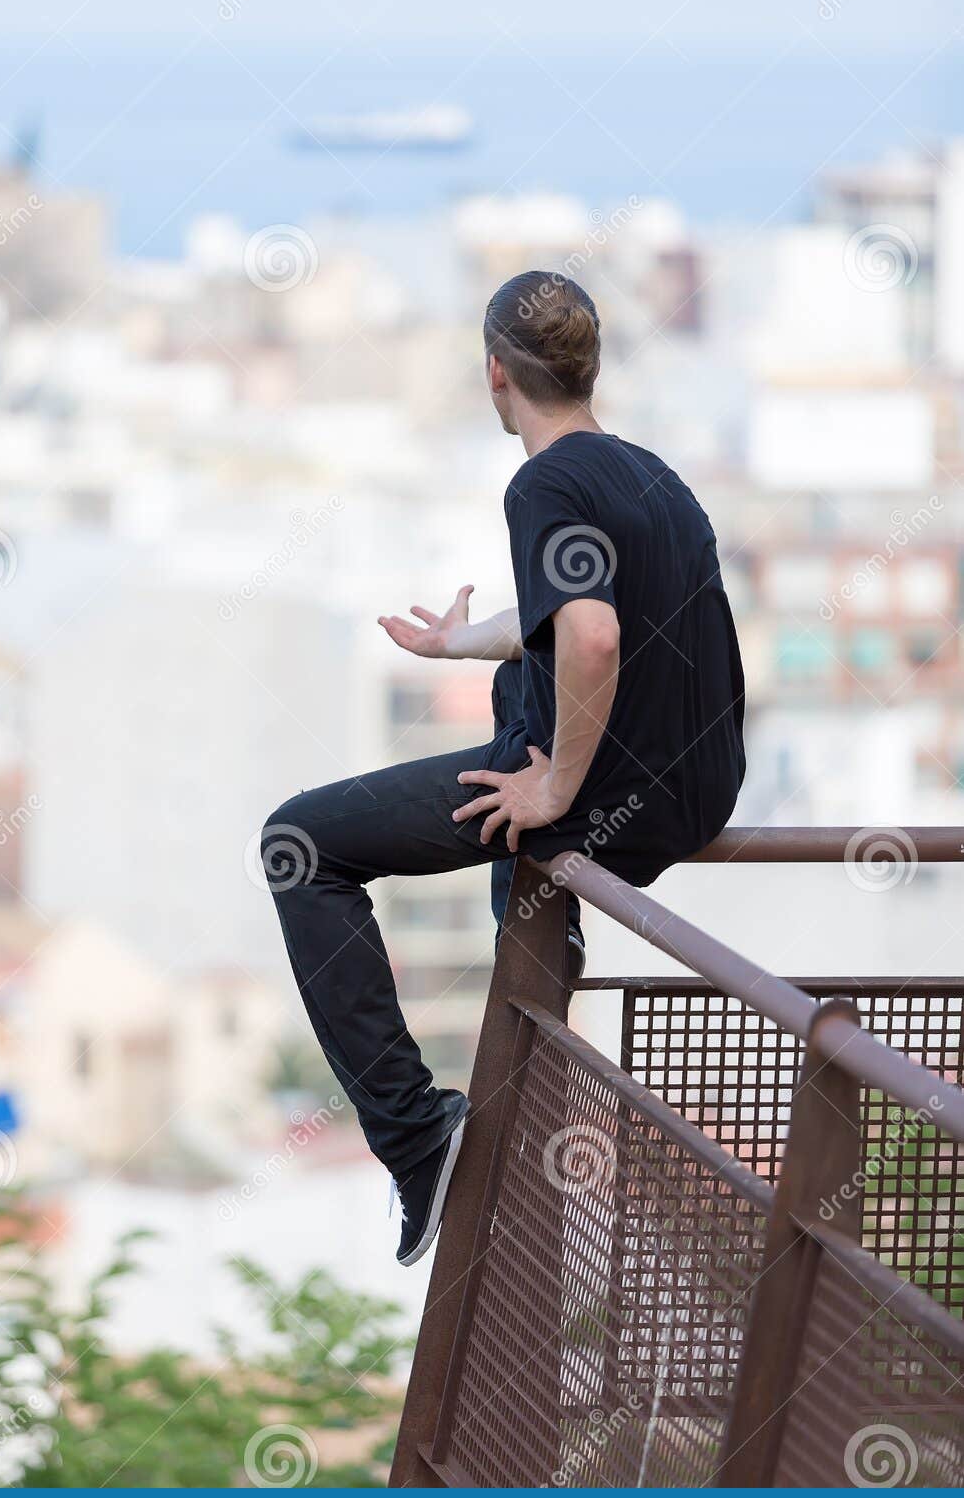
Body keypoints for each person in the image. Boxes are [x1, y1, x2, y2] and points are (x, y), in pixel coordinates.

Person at [262, 270, 746, 1266]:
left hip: (607, 795)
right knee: (517, 709)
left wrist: (556, 785)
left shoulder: (543, 483)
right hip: (696, 787)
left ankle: (416, 1136)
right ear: (589, 367)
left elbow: (594, 636)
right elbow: (576, 615)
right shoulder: (649, 475)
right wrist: (460, 642)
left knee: (299, 844)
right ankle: (528, 1095)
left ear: (495, 372)